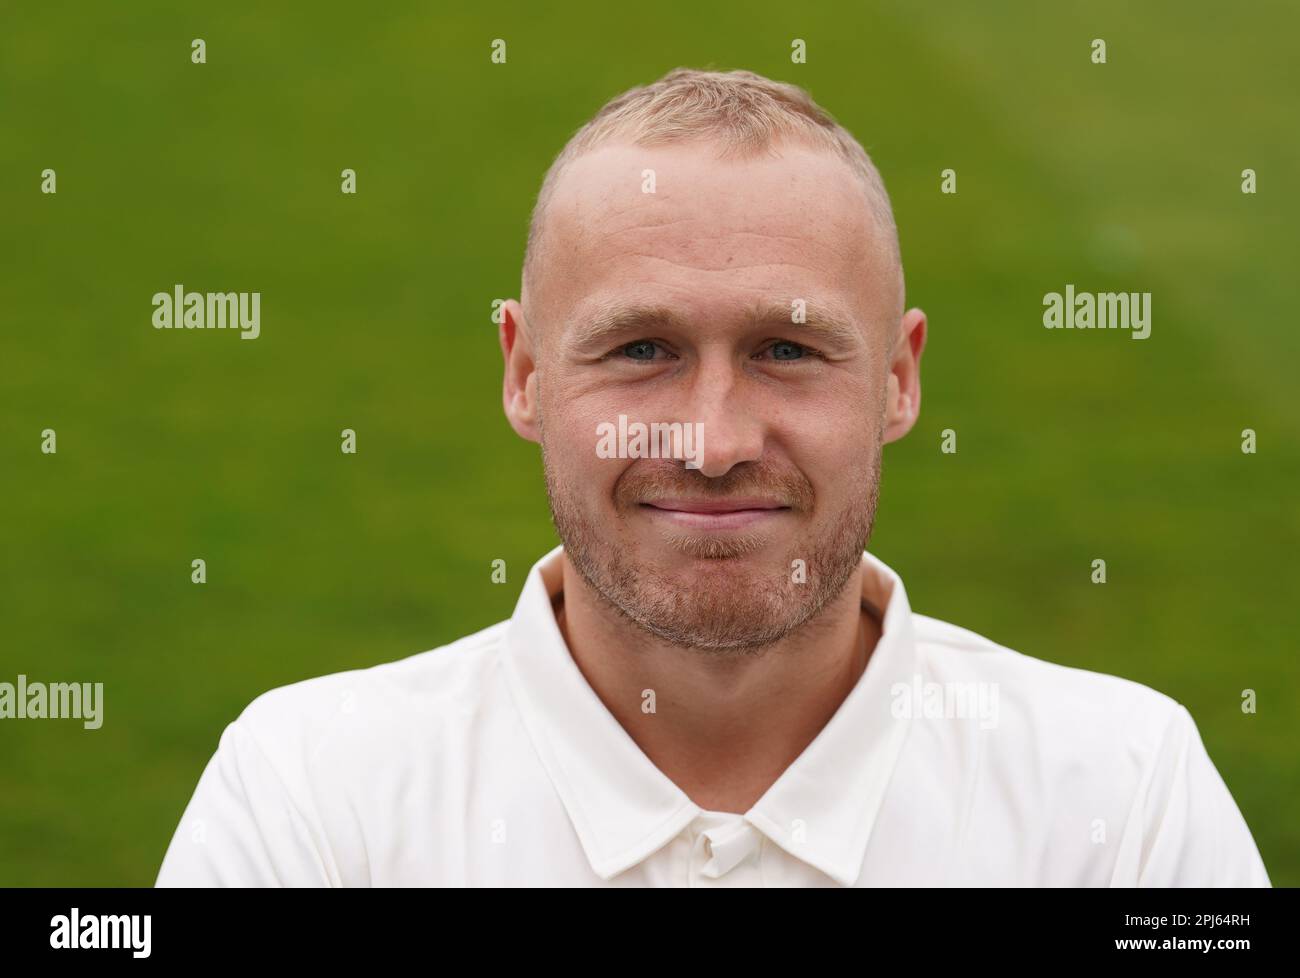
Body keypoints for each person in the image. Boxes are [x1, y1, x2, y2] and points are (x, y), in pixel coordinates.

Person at [156, 68, 1269, 887]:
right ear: (526, 374)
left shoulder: (1122, 797)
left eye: (787, 351)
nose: (713, 438)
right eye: (641, 351)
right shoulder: (309, 797)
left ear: (895, 380)